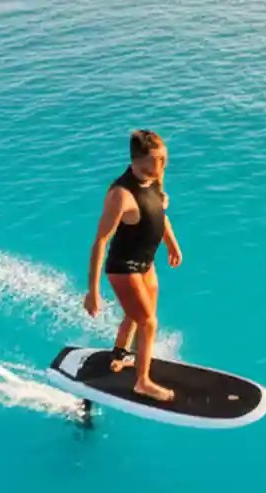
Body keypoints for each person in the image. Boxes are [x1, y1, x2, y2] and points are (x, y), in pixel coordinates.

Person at [83, 129, 183, 402]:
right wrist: (93, 292)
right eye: (156, 159)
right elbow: (101, 241)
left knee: (135, 316)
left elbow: (158, 216)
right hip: (123, 267)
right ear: (137, 160)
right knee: (148, 321)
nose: (162, 165)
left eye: (164, 158)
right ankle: (142, 382)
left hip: (146, 263)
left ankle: (119, 356)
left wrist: (171, 244)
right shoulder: (120, 194)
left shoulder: (153, 180)